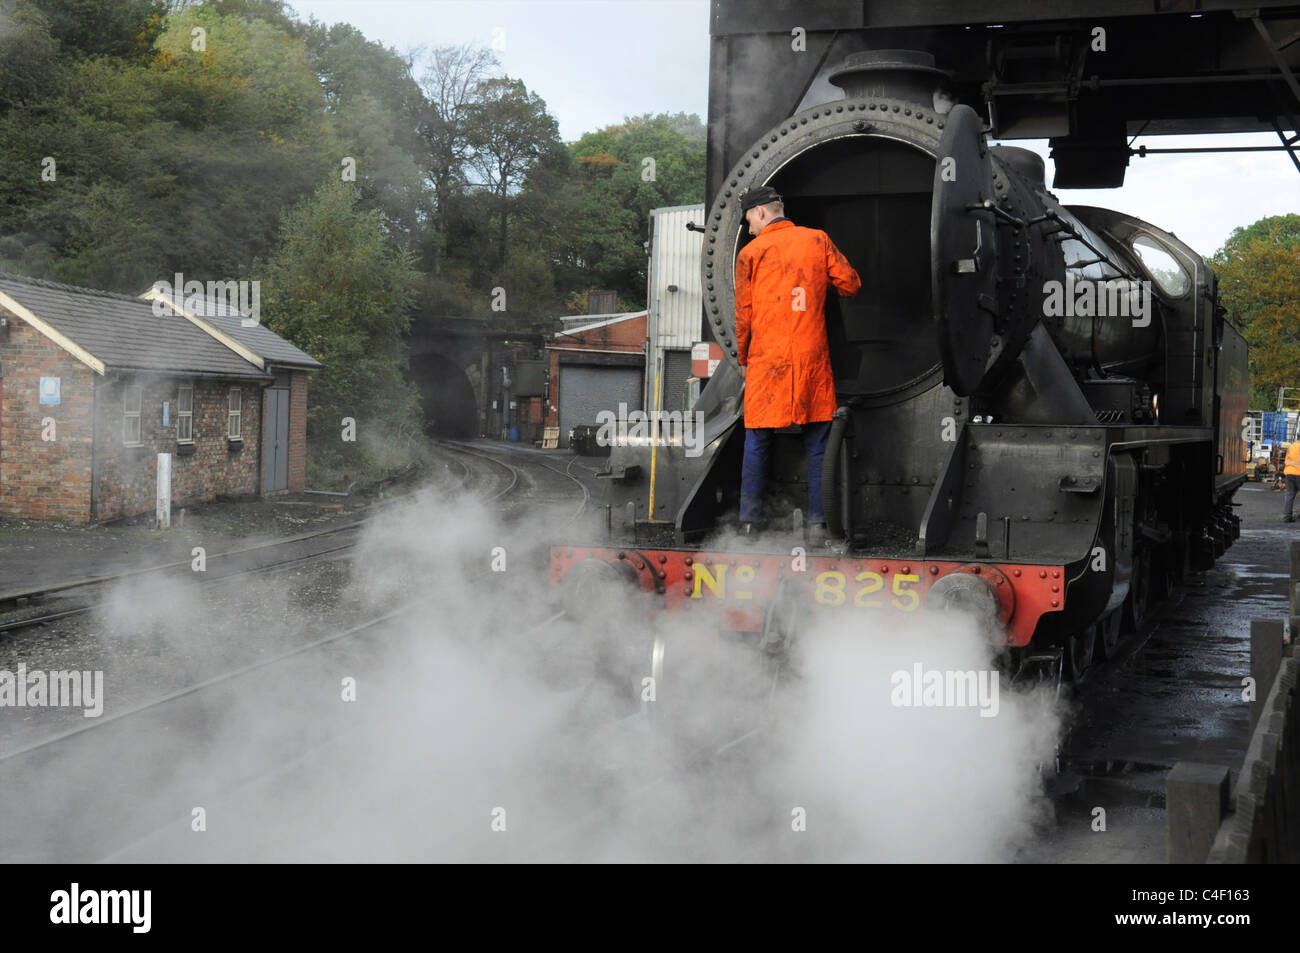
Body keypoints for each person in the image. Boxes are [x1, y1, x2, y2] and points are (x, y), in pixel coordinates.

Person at [733, 185, 861, 544]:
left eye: (749, 221)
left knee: (757, 439)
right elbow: (851, 285)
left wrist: (743, 359)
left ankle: (749, 524)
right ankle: (820, 524)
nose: (749, 229)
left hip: (766, 360)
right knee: (819, 442)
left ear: (759, 212)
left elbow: (744, 316)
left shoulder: (751, 253)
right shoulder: (817, 240)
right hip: (811, 359)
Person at [1283, 440, 1300, 521]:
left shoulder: (1292, 446)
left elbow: (1286, 459)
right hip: (1299, 473)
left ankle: (1287, 517)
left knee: (1289, 495)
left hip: (1289, 472)